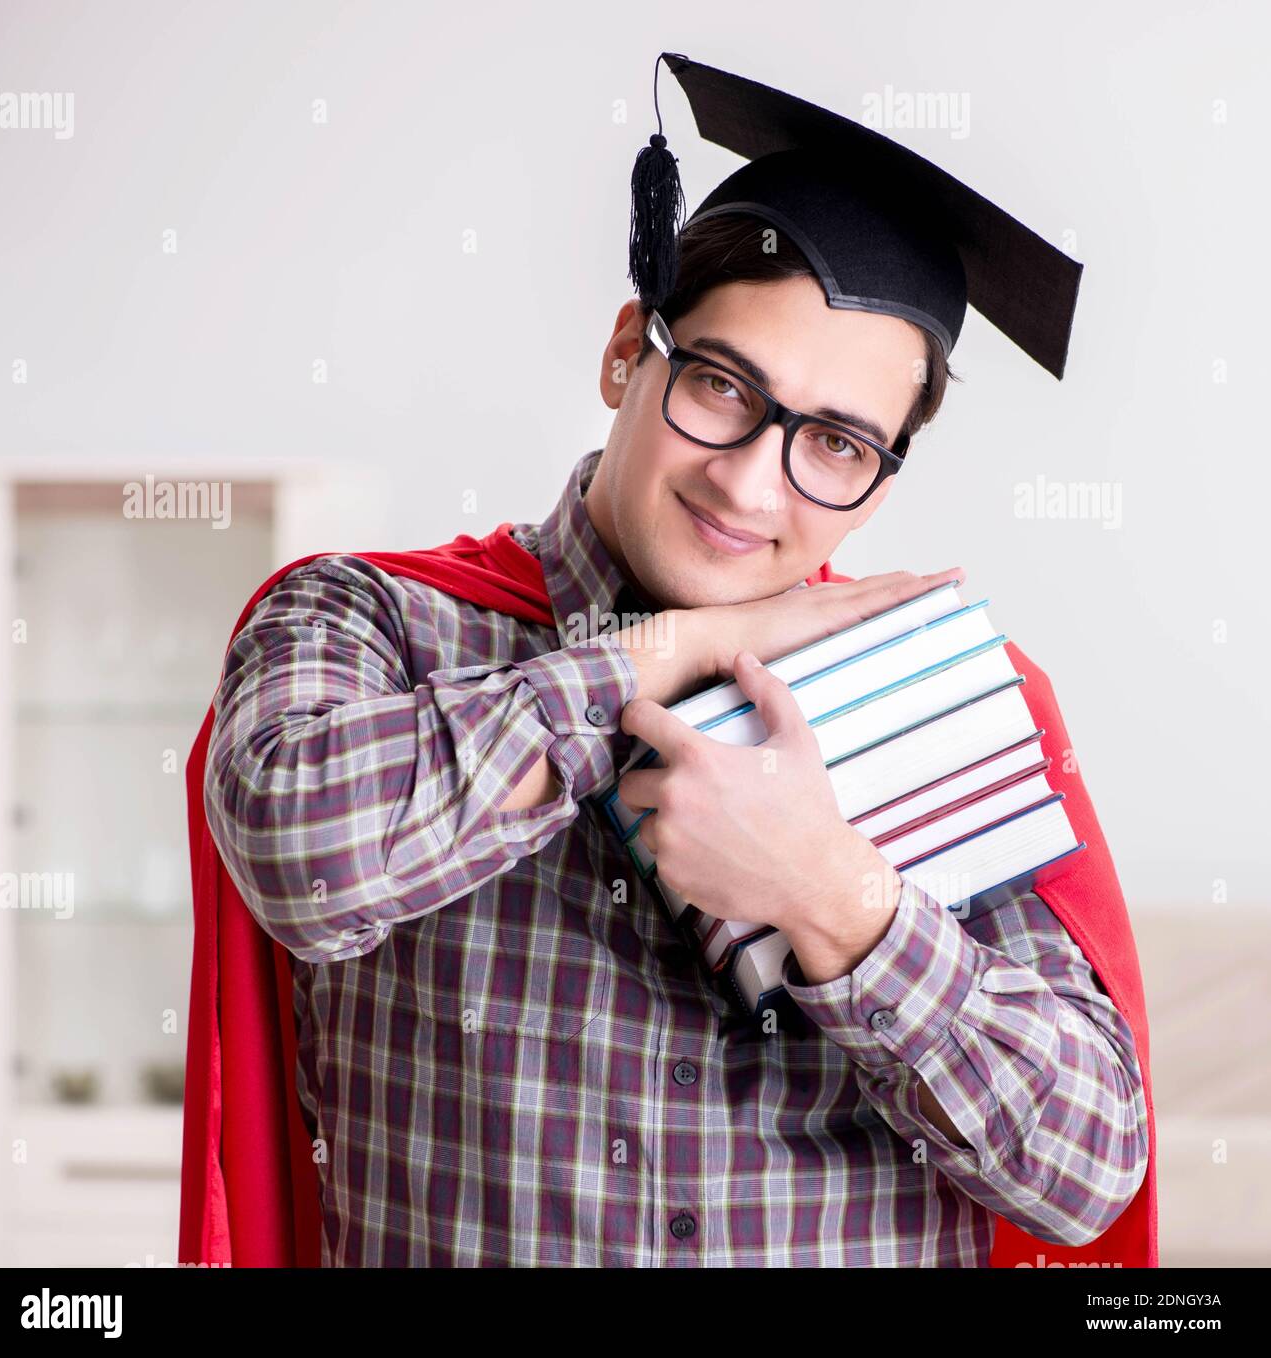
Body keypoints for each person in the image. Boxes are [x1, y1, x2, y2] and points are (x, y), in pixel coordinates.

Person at [184, 53, 1154, 1267]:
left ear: (882, 478)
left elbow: (1083, 1173)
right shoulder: (370, 623)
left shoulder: (942, 697)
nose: (750, 480)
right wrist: (670, 652)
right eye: (717, 385)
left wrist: (834, 895)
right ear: (625, 352)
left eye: (838, 444)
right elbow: (302, 852)